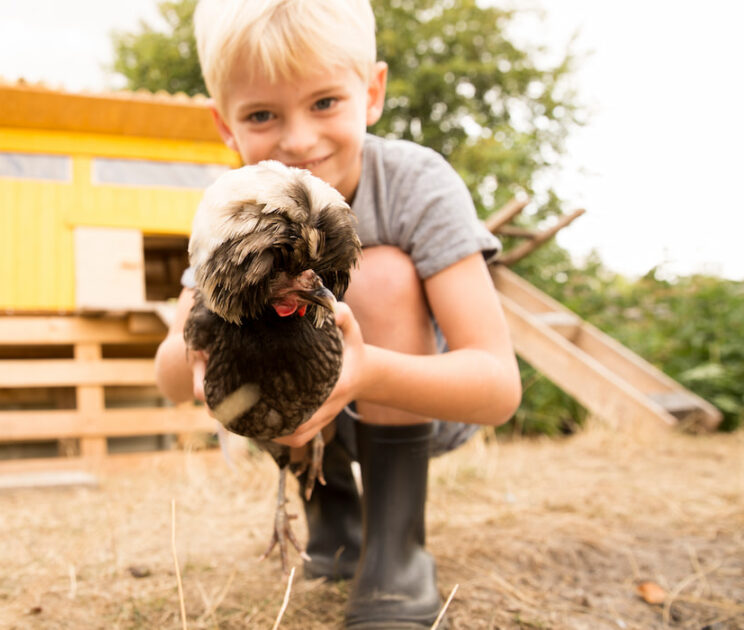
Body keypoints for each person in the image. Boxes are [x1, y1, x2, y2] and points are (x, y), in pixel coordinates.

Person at [154, 0, 522, 627]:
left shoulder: (414, 183)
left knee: (379, 275)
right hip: (295, 408)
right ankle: (333, 517)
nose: (298, 139)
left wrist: (367, 372)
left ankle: (397, 552)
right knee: (245, 319)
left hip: (411, 400)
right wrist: (200, 349)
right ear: (225, 124)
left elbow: (498, 388)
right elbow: (168, 376)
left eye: (324, 102)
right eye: (263, 114)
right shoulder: (236, 211)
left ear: (372, 93)